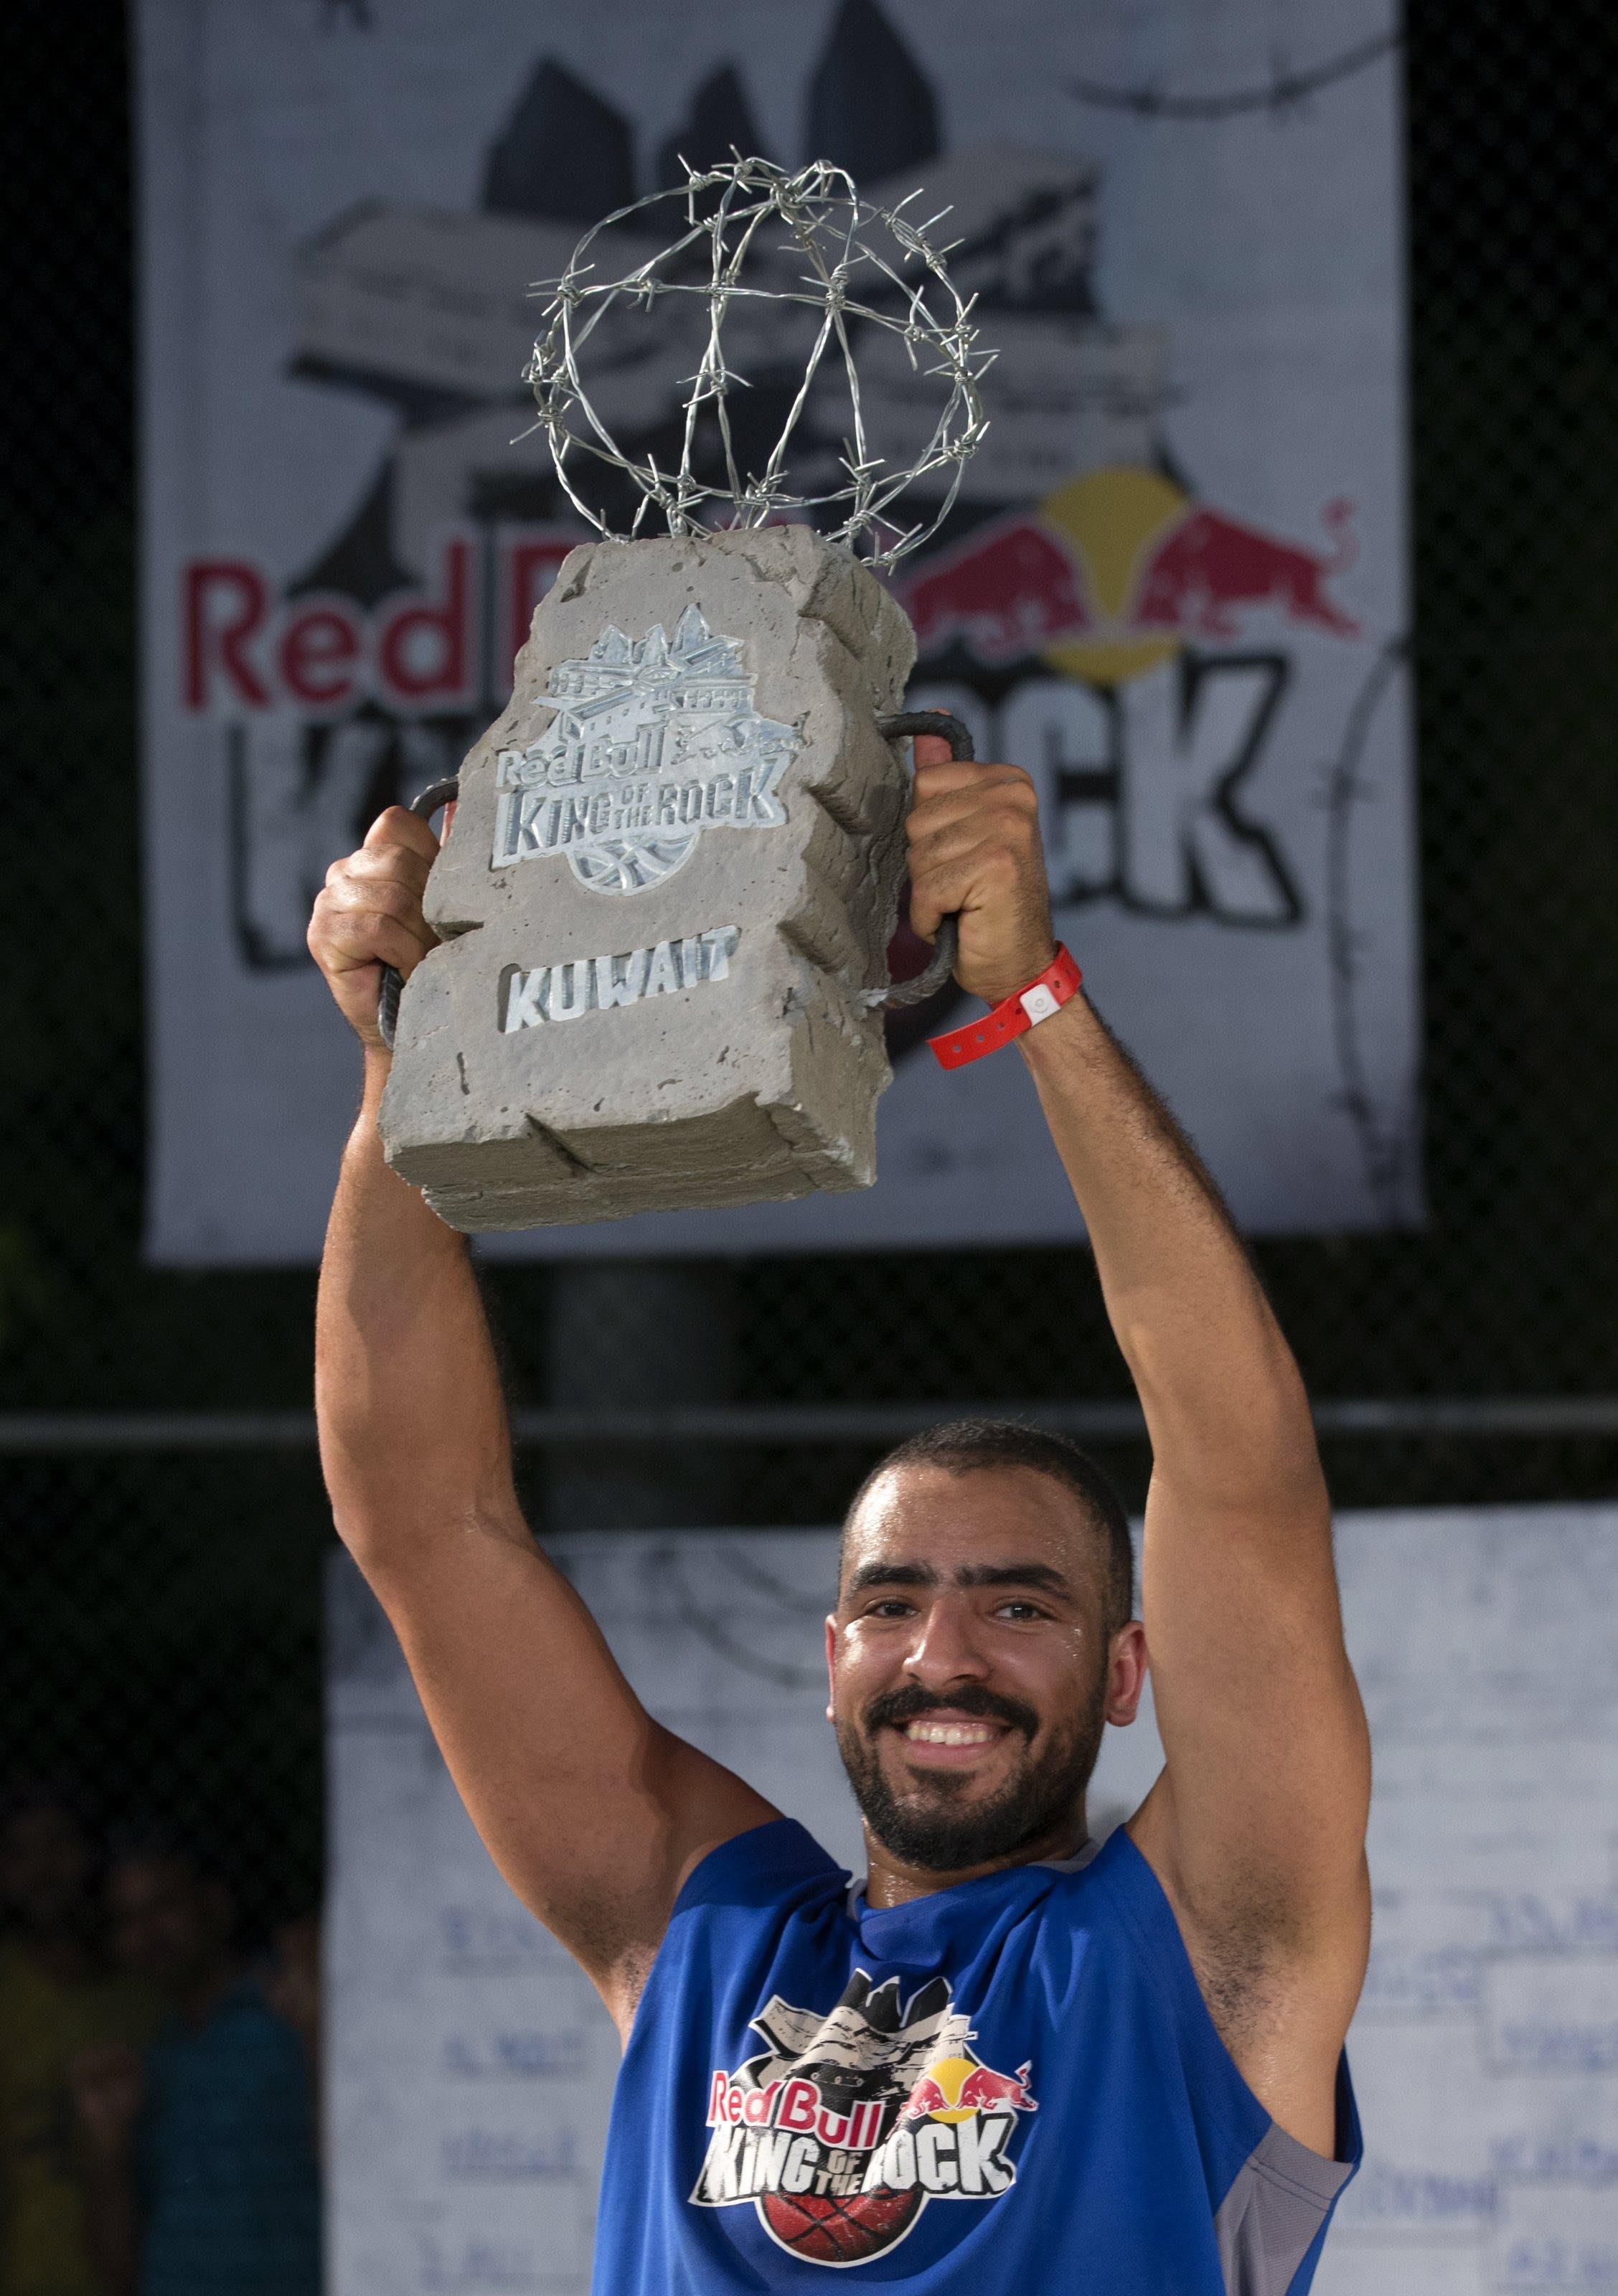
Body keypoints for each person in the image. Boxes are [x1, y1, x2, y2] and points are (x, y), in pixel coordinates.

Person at [308, 736, 1372, 2292]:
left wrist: (1036, 1001)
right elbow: (422, 1522)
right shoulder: (700, 1930)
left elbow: (1242, 1472)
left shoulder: (1208, 1954)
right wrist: (409, 1056)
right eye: (890, 1602)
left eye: (1019, 1603)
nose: (942, 1652)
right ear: (829, 1659)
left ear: (1125, 1672)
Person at [66, 1838, 320, 2296]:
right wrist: (106, 2147)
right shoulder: (145, 2062)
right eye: (127, 1919)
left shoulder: (292, 2012)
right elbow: (114, 2270)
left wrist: (317, 2035)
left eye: (164, 1905)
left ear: (215, 1905)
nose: (148, 1932)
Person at [0, 1787, 157, 2296]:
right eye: (22, 1852)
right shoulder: (9, 1992)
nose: (43, 1870)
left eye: (58, 1844)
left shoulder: (149, 1993)